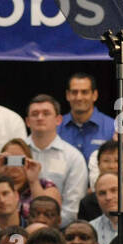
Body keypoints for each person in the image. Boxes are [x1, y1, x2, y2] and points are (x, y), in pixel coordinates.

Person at [24, 94, 88, 226]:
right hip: (20, 230)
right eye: (35, 114)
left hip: (59, 232)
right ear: (27, 121)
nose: (40, 118)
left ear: (58, 120)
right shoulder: (17, 153)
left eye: (46, 113)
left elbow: (72, 209)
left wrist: (47, 226)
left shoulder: (73, 157)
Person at [0, 137, 62, 222]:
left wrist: (34, 182)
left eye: (20, 160)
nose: (14, 167)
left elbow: (46, 219)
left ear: (29, 161)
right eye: (9, 160)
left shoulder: (46, 186)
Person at [58, 71, 116, 161]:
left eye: (84, 92)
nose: (79, 97)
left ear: (94, 95)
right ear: (67, 95)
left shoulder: (112, 128)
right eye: (74, 92)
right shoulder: (55, 127)